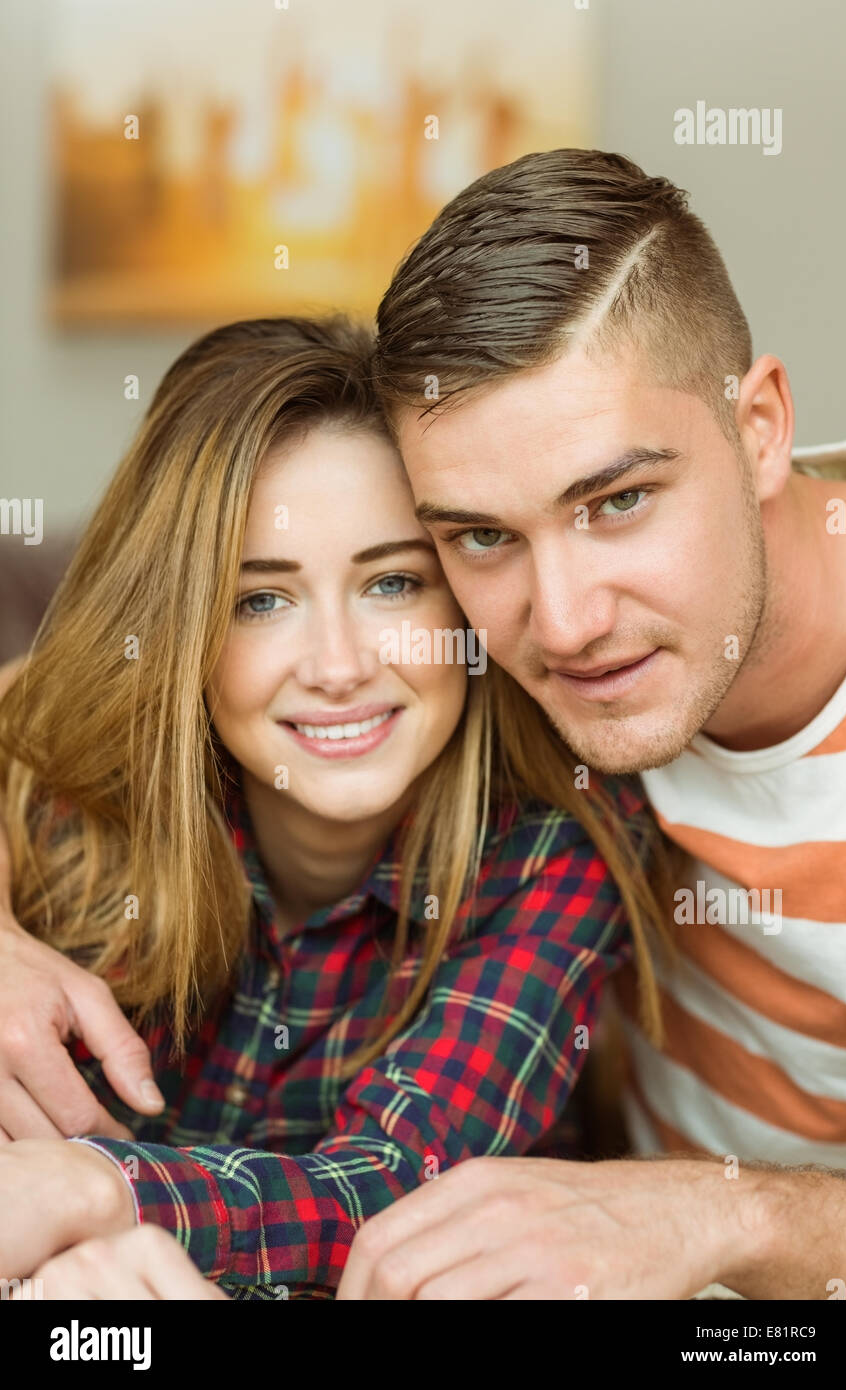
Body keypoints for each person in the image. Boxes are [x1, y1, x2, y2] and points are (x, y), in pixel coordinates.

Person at [0, 313, 665, 1299]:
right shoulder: (78, 781)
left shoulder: (555, 837)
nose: (341, 667)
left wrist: (94, 1189)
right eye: (259, 599)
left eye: (392, 582)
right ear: (182, 626)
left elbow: (401, 1189)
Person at [332, 145, 846, 1299]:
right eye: (481, 534)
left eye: (615, 501)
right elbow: (71, 700)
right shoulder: (485, 644)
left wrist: (722, 1214)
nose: (564, 625)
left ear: (761, 427)